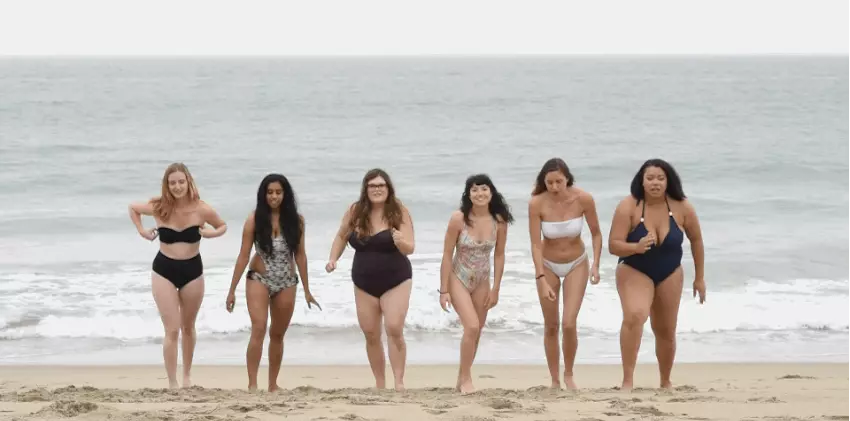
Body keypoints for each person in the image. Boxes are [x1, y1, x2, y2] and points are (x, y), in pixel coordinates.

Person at [608, 158, 706, 391]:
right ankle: (627, 381)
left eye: (660, 178)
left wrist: (699, 277)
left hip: (670, 271)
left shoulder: (682, 207)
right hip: (635, 268)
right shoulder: (628, 206)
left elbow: (696, 240)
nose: (655, 183)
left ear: (668, 181)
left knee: (666, 329)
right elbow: (613, 245)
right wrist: (636, 247)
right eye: (650, 178)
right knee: (635, 315)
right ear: (641, 181)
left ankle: (665, 381)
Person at [128, 162, 227, 389]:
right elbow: (132, 208)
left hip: (193, 271)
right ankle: (172, 382)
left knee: (188, 327)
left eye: (181, 181)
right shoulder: (158, 206)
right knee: (172, 329)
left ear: (188, 182)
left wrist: (211, 234)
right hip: (164, 270)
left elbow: (222, 225)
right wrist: (142, 230)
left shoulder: (202, 208)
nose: (177, 186)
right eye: (172, 183)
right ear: (167, 185)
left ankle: (187, 377)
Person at [225, 173, 321, 392]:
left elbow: (301, 255)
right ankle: (252, 384)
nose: (274, 196)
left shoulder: (297, 221)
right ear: (263, 195)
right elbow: (243, 255)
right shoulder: (254, 219)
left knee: (277, 334)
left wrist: (307, 289)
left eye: (278, 192)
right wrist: (231, 290)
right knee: (259, 328)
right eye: (270, 192)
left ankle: (272, 384)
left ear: (285, 194)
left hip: (286, 281)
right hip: (259, 277)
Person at [325, 168, 415, 391]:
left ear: (388, 188)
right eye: (372, 186)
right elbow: (341, 235)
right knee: (371, 333)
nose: (377, 189)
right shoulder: (356, 211)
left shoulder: (398, 211)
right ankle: (380, 383)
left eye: (381, 185)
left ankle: (399, 382)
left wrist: (400, 241)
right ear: (366, 189)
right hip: (363, 282)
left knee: (394, 328)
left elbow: (410, 248)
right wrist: (333, 259)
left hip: (397, 279)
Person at [528, 158, 603, 390]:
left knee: (569, 323)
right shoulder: (536, 203)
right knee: (551, 325)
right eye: (549, 182)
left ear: (567, 179)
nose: (554, 187)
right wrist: (540, 277)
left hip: (576, 263)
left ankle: (569, 374)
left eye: (558, 181)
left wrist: (596, 265)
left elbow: (596, 234)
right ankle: (554, 380)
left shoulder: (583, 199)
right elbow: (535, 245)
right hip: (548, 265)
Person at [439, 173, 514, 394]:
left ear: (491, 193)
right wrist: (444, 289)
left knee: (477, 330)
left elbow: (499, 255)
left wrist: (496, 288)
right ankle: (467, 378)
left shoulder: (499, 221)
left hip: (482, 279)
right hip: (458, 276)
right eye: (474, 190)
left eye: (484, 189)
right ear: (468, 194)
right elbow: (446, 253)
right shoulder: (458, 218)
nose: (479, 194)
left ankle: (461, 377)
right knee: (471, 326)